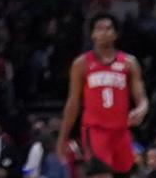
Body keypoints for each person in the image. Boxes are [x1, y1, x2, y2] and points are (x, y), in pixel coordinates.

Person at [57, 21, 147, 178]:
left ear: (116, 34)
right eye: (99, 29)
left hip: (121, 131)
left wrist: (141, 110)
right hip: (95, 131)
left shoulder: (129, 62)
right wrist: (63, 137)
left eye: (108, 28)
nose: (104, 32)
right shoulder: (81, 63)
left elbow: (143, 99)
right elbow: (73, 103)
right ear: (92, 35)